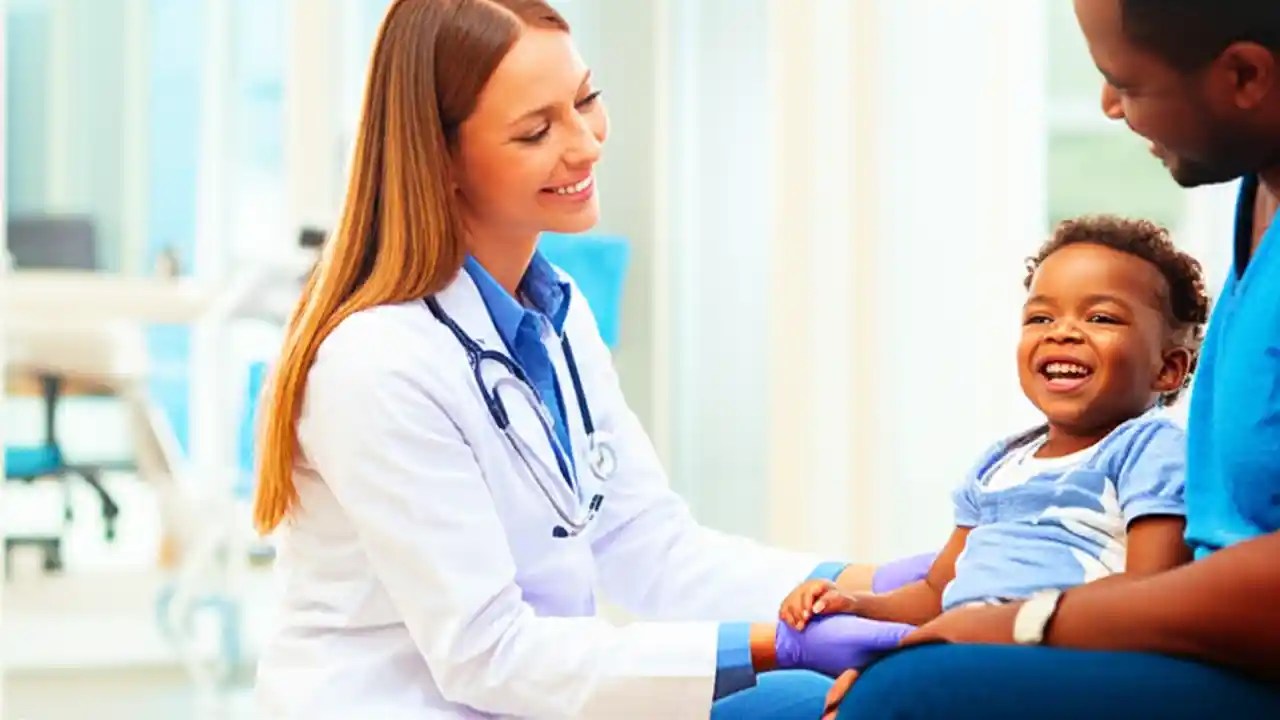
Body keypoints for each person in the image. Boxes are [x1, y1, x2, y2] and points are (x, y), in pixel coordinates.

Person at [248, 1, 931, 718]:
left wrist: (880, 587)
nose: (586, 144)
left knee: (823, 699)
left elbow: (648, 547)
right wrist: (775, 645)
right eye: (536, 131)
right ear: (441, 158)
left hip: (525, 701)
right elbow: (488, 654)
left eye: (584, 100)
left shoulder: (557, 313)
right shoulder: (377, 365)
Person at [827, 0, 1280, 717]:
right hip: (1202, 642)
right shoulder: (1257, 196)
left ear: (1246, 77)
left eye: (1127, 83)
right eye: (1040, 315)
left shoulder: (1142, 451)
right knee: (777, 701)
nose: (1107, 106)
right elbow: (944, 583)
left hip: (1238, 656)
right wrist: (875, 607)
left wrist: (1023, 624)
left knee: (911, 696)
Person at [780, 216, 1205, 671]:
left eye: (1100, 317)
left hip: (1059, 656)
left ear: (1168, 369)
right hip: (964, 649)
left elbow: (1149, 588)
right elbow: (937, 593)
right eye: (1040, 317)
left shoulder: (1148, 449)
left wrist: (1007, 624)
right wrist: (855, 604)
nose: (1061, 332)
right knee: (812, 662)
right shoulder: (1000, 464)